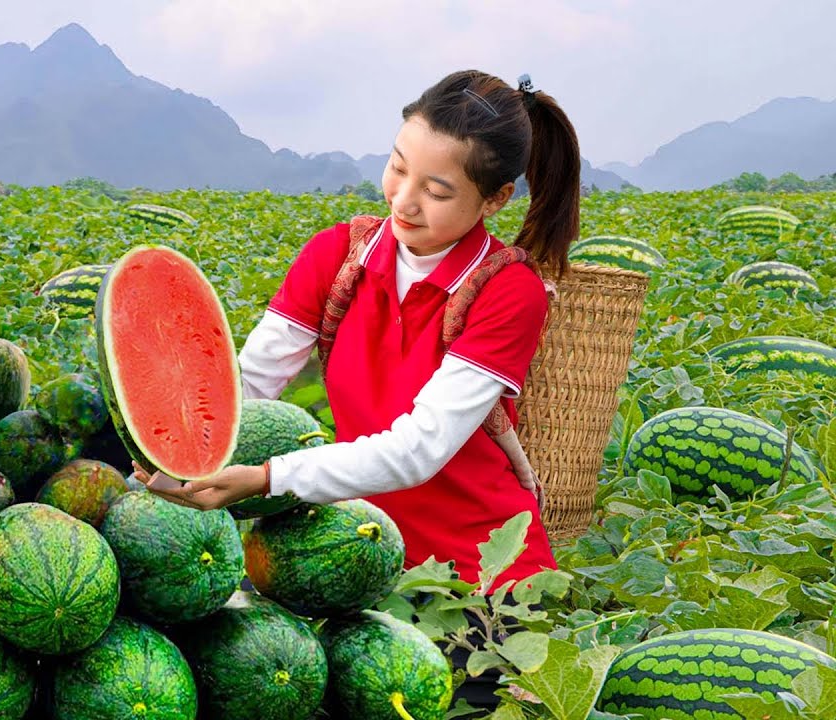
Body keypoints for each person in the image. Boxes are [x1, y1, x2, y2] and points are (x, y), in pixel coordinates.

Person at [136, 69, 581, 710]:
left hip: (480, 587)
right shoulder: (336, 256)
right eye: (397, 168)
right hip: (355, 565)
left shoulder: (510, 292)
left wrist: (265, 478)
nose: (404, 201)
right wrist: (171, 449)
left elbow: (419, 449)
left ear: (495, 199)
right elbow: (248, 384)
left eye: (436, 190)